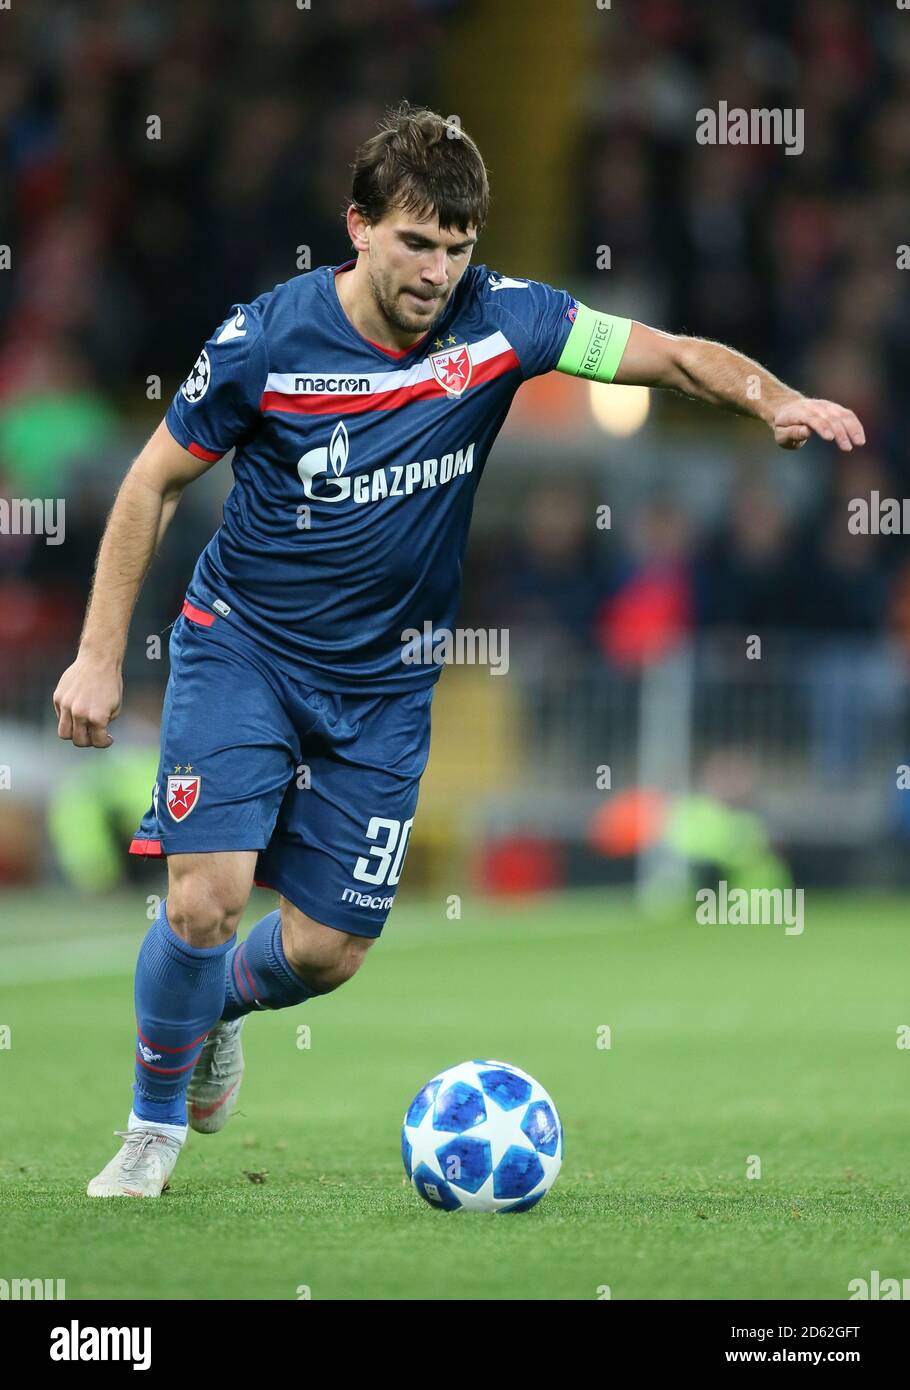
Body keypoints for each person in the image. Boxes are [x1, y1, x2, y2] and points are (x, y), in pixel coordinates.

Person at [52, 102, 865, 1198]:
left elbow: (665, 356)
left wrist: (778, 398)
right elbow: (151, 479)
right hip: (242, 646)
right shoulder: (267, 341)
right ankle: (151, 1132)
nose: (438, 270)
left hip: (384, 683)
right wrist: (99, 657)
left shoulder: (508, 323)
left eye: (457, 246)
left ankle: (218, 1010)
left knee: (329, 949)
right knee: (205, 900)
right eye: (416, 241)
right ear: (359, 227)